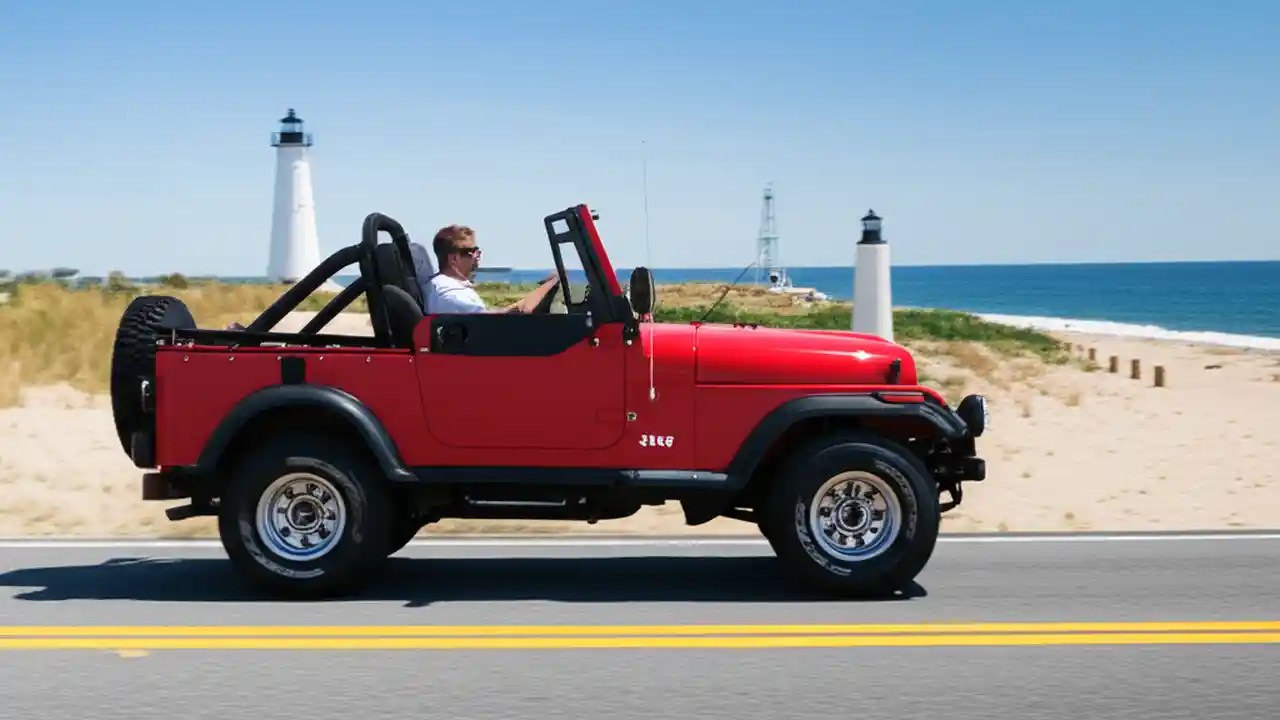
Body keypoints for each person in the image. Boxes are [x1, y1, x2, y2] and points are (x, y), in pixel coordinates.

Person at [422, 224, 558, 314]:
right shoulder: (451, 295)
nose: (478, 255)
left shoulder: (441, 285)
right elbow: (498, 319)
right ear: (454, 259)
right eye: (472, 251)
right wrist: (547, 286)